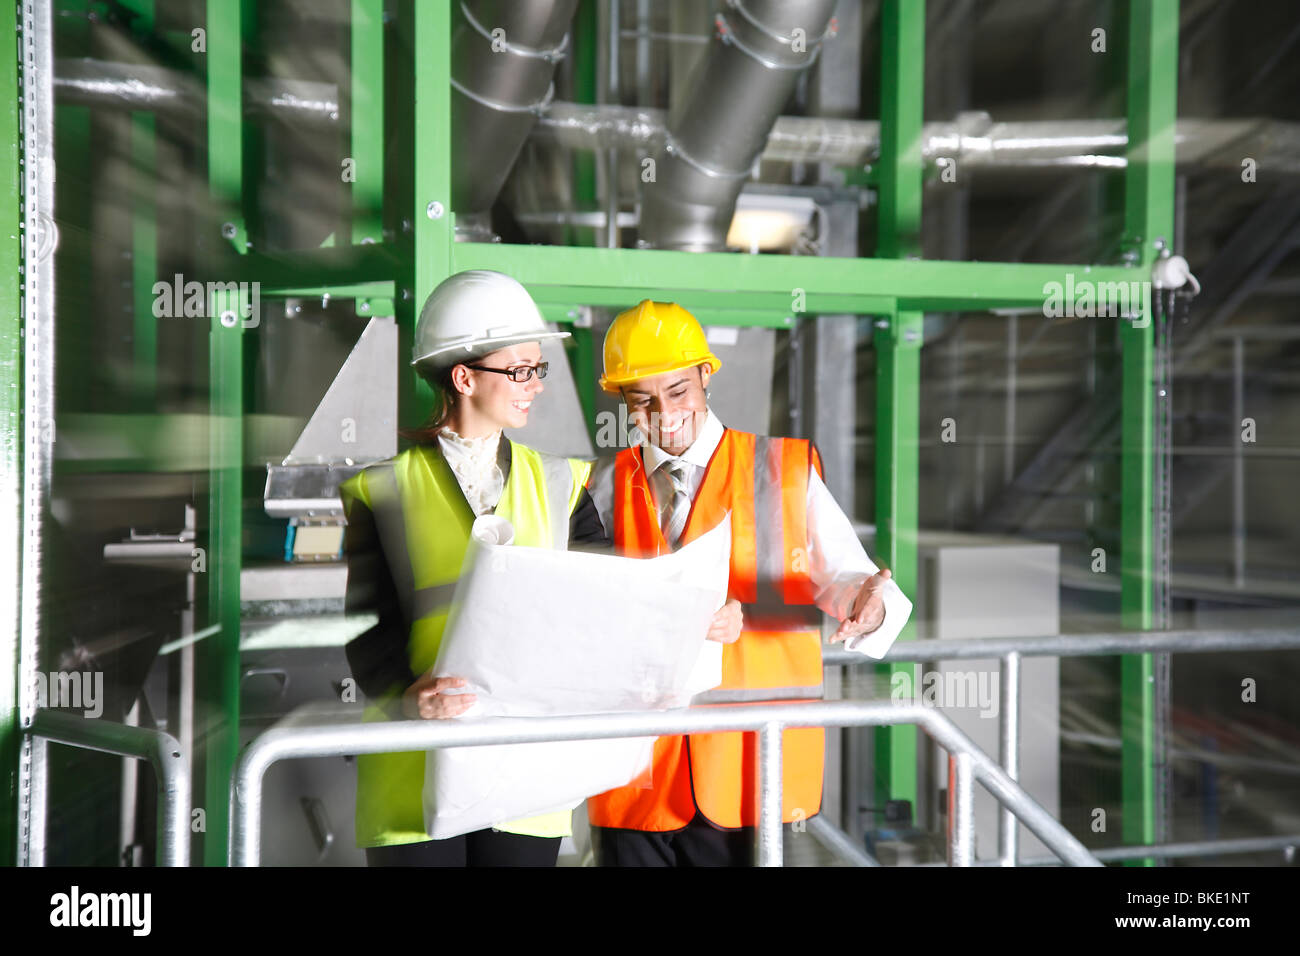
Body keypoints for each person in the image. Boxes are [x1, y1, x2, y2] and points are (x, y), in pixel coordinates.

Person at [584, 299, 914, 867]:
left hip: (747, 766)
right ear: (623, 401)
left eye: (678, 390)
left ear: (706, 375)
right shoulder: (601, 486)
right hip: (633, 773)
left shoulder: (781, 471)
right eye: (643, 400)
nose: (665, 412)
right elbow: (582, 613)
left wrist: (871, 602)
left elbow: (846, 577)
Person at [339, 269, 607, 867]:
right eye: (520, 371)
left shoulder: (563, 484)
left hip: (522, 768)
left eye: (538, 369)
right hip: (414, 761)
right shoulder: (382, 489)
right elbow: (361, 624)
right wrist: (408, 699)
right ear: (464, 378)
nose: (535, 384)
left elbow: (603, 603)